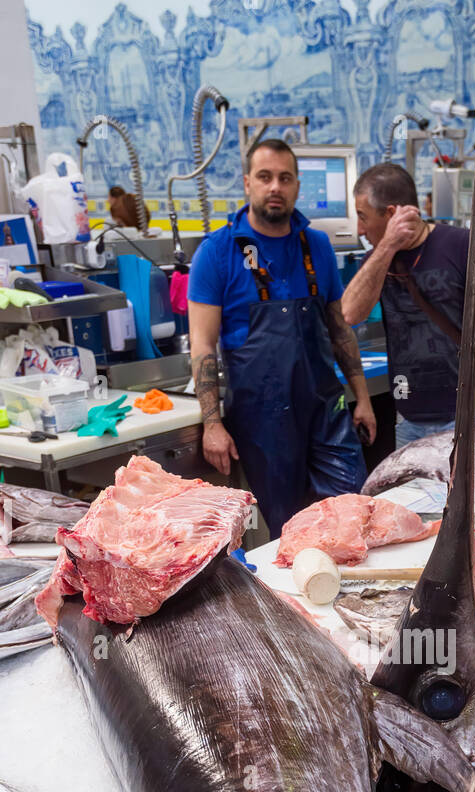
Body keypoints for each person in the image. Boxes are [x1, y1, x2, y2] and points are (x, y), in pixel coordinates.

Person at [187, 139, 374, 537]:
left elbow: (338, 328)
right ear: (247, 183)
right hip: (262, 422)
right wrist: (212, 423)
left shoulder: (317, 245)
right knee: (288, 533)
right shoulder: (217, 252)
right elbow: (202, 345)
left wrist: (362, 397)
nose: (276, 186)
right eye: (265, 177)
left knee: (353, 515)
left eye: (285, 178)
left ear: (297, 186)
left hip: (326, 411)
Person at [341, 163, 475, 447]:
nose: (360, 229)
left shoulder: (463, 246)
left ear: (391, 214)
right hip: (409, 418)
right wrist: (387, 246)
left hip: (468, 416)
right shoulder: (377, 259)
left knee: (468, 492)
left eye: (363, 217)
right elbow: (349, 313)